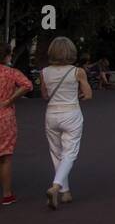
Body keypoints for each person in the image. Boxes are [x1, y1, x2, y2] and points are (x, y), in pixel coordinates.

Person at [41, 37, 92, 210]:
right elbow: (88, 94)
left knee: (56, 153)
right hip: (71, 113)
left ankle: (66, 192)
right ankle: (56, 186)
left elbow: (45, 95)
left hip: (51, 114)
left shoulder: (44, 72)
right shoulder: (77, 71)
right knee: (70, 152)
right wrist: (77, 95)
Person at [0, 46, 34, 206]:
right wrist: (10, 100)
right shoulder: (10, 72)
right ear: (6, 55)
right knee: (5, 157)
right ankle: (7, 194)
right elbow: (27, 85)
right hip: (4, 116)